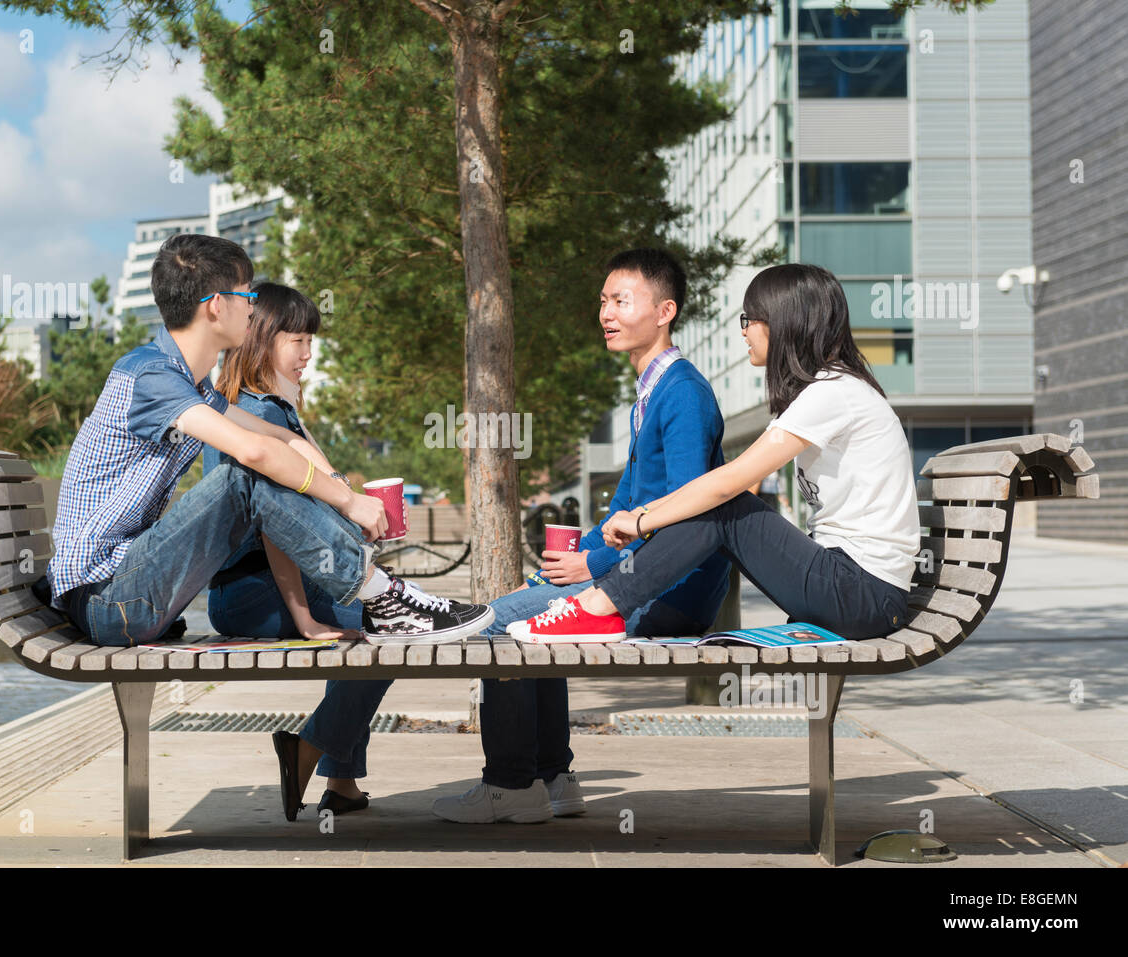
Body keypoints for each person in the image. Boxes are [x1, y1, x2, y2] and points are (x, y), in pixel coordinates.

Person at [44, 233, 492, 822]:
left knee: (255, 472)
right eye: (246, 295)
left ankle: (376, 608)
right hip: (110, 600)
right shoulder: (148, 377)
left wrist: (329, 471)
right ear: (215, 306)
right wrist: (348, 502)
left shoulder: (187, 381)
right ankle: (380, 597)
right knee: (243, 480)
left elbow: (275, 438)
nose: (253, 308)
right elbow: (254, 454)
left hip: (127, 592)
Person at [432, 248, 732, 824]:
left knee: (497, 623)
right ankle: (552, 778)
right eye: (603, 301)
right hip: (639, 580)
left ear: (665, 310)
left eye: (621, 300)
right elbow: (627, 504)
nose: (606, 313)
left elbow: (688, 515)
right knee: (533, 610)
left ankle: (512, 784)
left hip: (668, 592)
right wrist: (574, 558)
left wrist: (594, 568)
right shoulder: (652, 392)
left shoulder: (684, 394)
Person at [504, 263, 919, 665]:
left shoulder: (835, 391)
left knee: (724, 504)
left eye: (750, 319)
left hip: (864, 594)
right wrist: (637, 518)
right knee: (720, 503)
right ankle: (596, 608)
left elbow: (732, 481)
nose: (743, 331)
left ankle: (598, 607)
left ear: (785, 321)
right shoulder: (821, 392)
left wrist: (643, 521)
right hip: (847, 586)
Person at [203, 280, 395, 819]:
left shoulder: (266, 406)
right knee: (382, 629)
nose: (308, 353)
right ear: (261, 340)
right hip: (249, 592)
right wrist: (304, 618)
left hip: (257, 585)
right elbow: (274, 529)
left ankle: (342, 782)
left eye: (311, 340)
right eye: (297, 340)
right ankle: (310, 748)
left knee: (375, 622)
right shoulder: (258, 416)